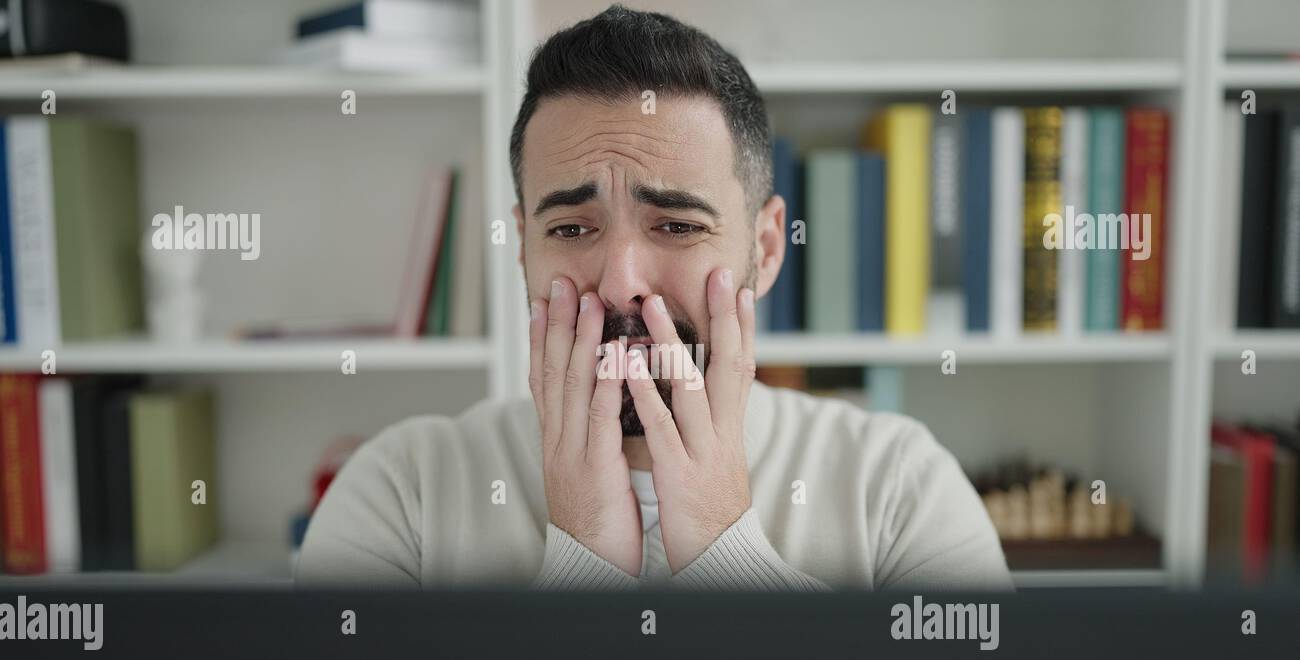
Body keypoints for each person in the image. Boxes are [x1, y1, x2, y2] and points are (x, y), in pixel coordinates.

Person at [296, 5, 1013, 592]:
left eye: (676, 224)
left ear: (765, 249)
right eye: (572, 227)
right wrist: (583, 568)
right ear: (522, 247)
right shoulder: (400, 493)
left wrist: (726, 553)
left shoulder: (898, 487)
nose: (618, 282)